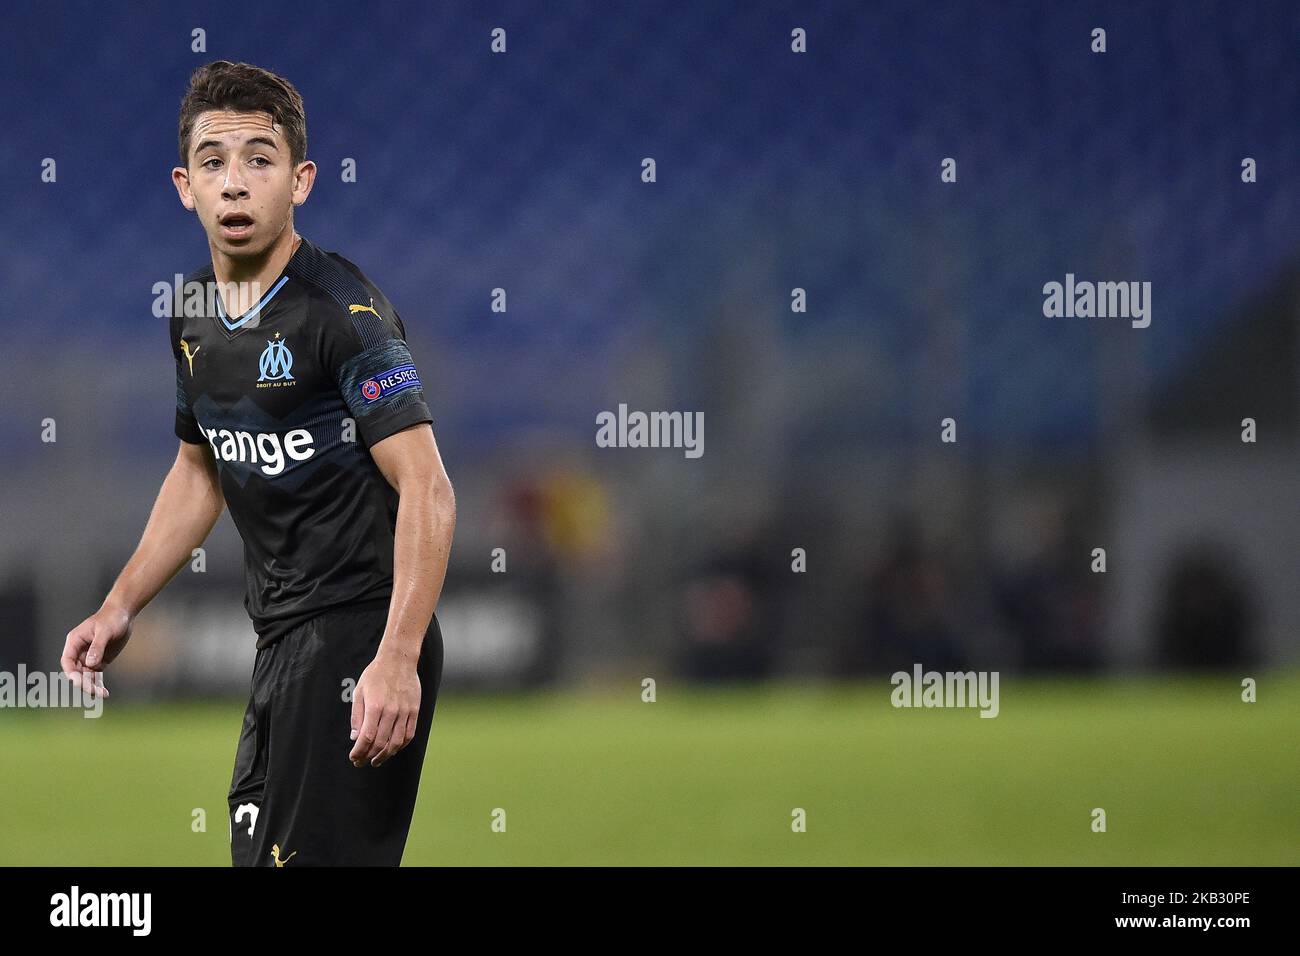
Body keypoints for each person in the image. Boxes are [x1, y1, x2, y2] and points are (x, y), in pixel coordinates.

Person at [59, 60, 456, 866]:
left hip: (359, 637)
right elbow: (198, 469)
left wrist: (397, 657)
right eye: (213, 162)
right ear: (184, 185)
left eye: (259, 160)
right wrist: (120, 604)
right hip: (278, 645)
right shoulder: (193, 311)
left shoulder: (344, 314)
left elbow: (429, 486)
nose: (234, 184)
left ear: (301, 180)